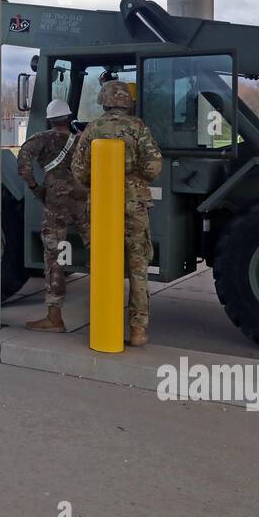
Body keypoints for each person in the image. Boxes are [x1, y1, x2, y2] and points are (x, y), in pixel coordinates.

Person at [72, 80, 162, 346]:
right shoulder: (138, 127)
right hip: (134, 204)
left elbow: (78, 170)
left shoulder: (93, 128)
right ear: (126, 101)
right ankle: (137, 330)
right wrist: (134, 176)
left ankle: (104, 325)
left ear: (104, 99)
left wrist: (100, 179)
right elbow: (154, 167)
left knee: (102, 265)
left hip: (102, 204)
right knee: (138, 266)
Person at [16, 99, 88, 331]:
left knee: (54, 256)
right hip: (81, 198)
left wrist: (36, 189)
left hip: (55, 201)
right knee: (98, 249)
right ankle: (108, 308)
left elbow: (23, 163)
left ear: (49, 119)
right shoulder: (82, 140)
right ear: (69, 118)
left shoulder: (41, 139)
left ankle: (54, 317)